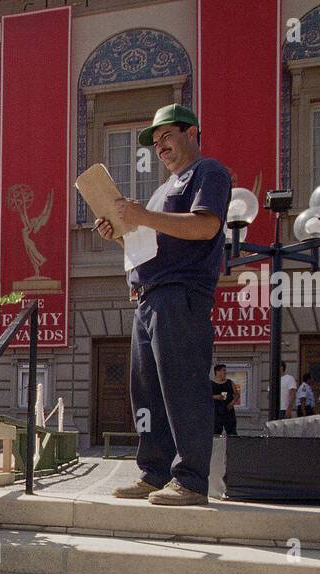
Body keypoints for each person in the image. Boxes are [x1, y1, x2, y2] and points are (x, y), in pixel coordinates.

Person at [95, 104, 230, 506]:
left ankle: (190, 480)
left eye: (167, 136)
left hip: (181, 293)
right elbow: (148, 246)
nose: (160, 148)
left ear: (192, 133)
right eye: (155, 143)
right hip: (148, 295)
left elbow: (206, 226)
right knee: (148, 392)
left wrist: (142, 215)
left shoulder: (209, 172)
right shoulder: (163, 189)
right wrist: (118, 233)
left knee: (182, 387)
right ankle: (154, 473)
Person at [210, 363, 238, 436]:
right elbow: (205, 397)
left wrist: (232, 402)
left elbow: (236, 394)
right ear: (217, 372)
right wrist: (216, 397)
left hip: (228, 410)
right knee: (216, 432)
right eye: (223, 370)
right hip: (216, 411)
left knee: (232, 431)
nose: (225, 372)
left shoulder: (229, 382)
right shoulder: (211, 384)